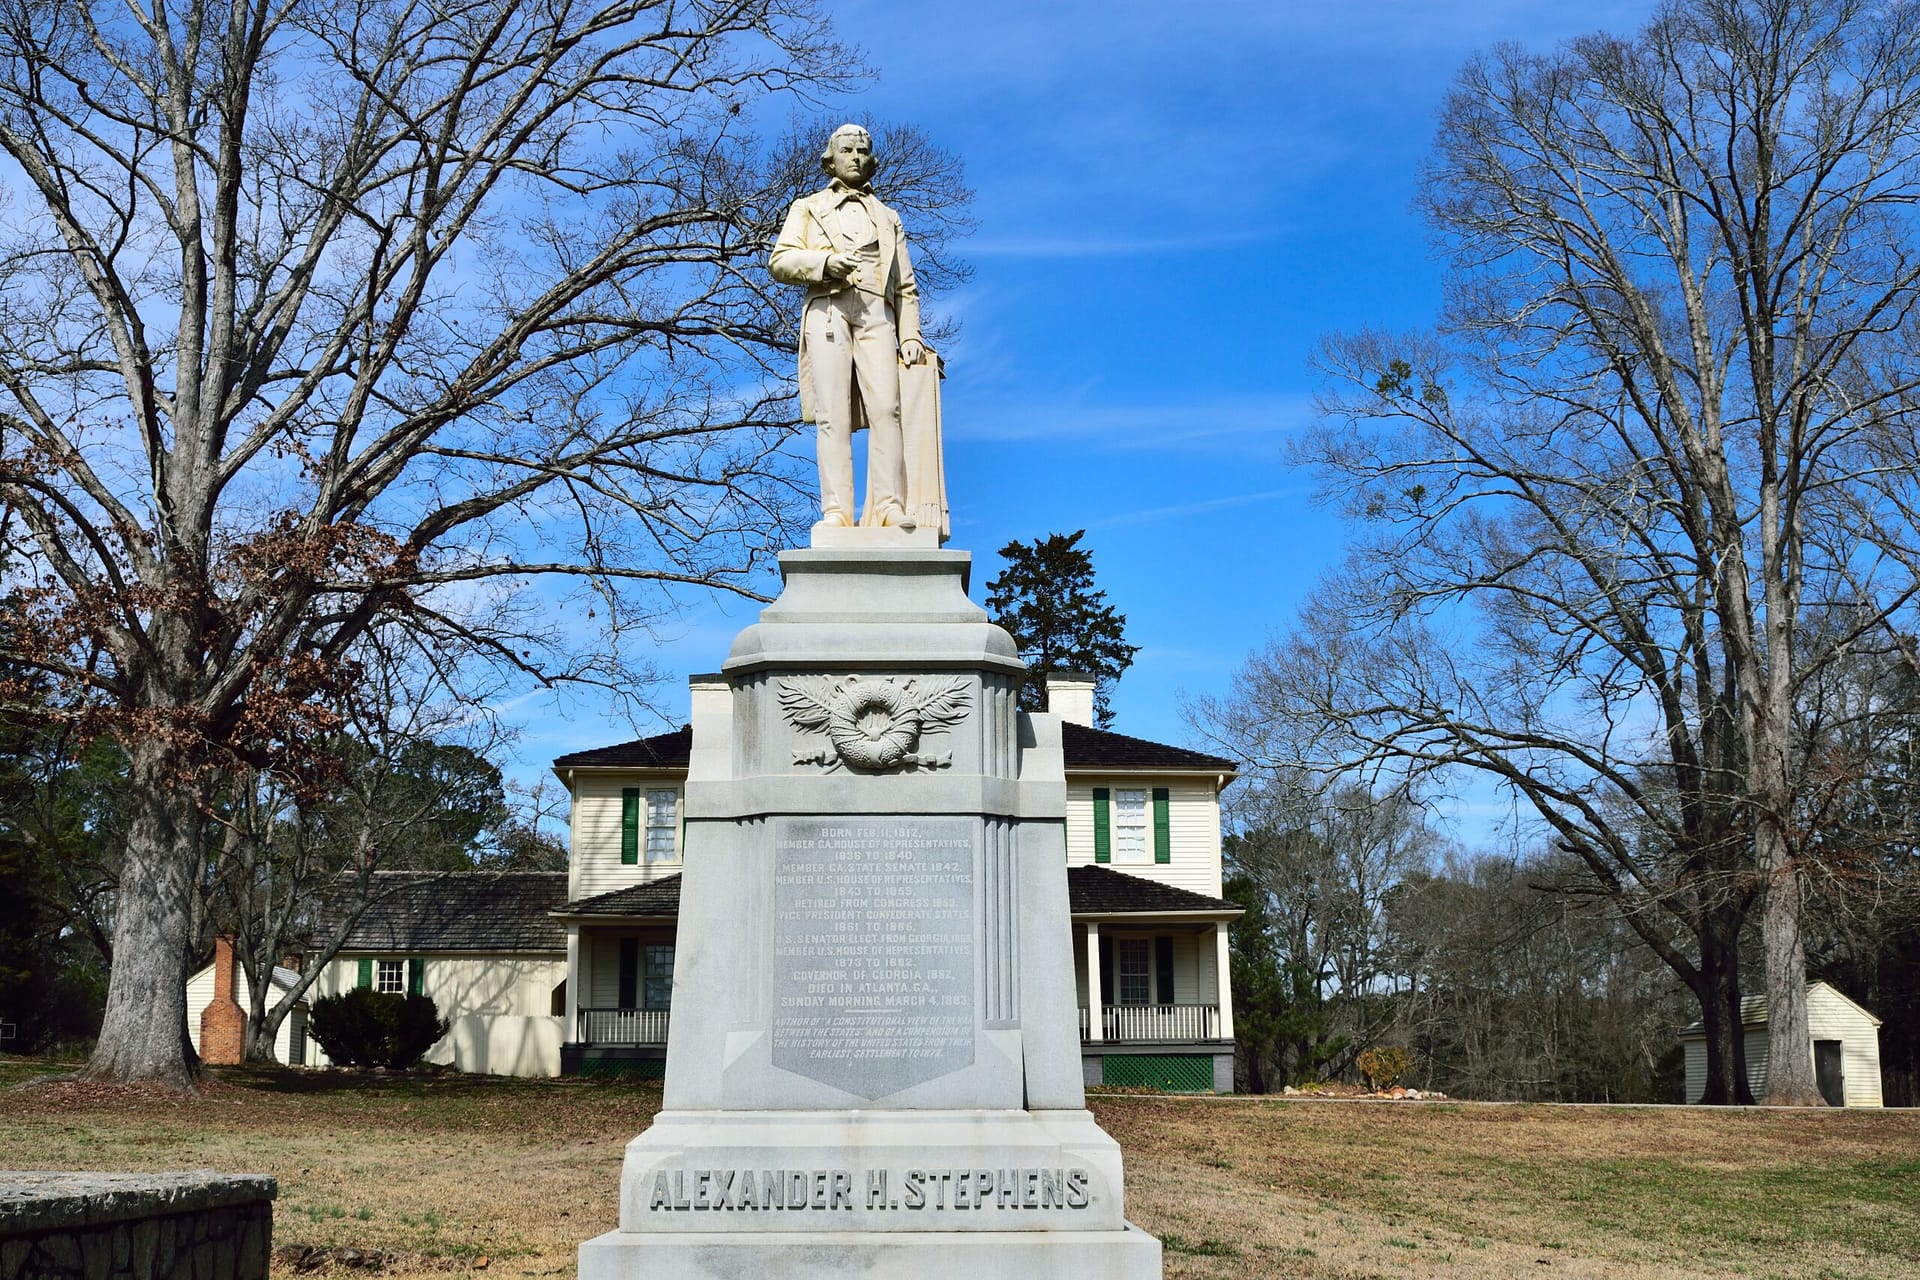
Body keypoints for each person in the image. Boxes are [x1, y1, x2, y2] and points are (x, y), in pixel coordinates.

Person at [769, 124, 931, 530]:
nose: (855, 157)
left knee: (888, 411)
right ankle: (836, 512)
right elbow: (780, 261)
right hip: (828, 309)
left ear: (871, 159)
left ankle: (889, 506)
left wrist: (910, 334)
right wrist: (823, 265)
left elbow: (907, 286)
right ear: (831, 158)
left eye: (862, 151)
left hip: (879, 314)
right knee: (832, 415)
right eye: (847, 150)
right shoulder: (807, 207)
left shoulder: (889, 217)